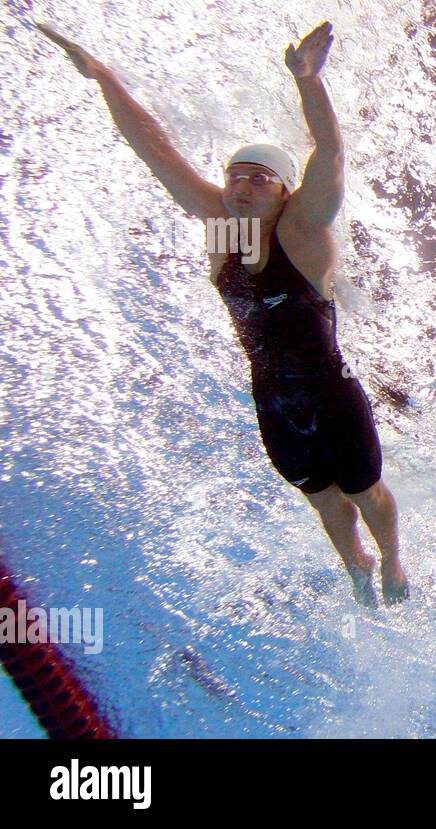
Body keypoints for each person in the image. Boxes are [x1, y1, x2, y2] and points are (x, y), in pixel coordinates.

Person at [38, 21, 409, 607]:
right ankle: (355, 562)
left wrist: (309, 82)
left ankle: (390, 555)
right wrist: (103, 77)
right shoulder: (221, 226)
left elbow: (331, 156)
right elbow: (154, 149)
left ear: (285, 191)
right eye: (235, 175)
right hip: (273, 400)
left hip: (331, 392)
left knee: (365, 493)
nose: (243, 186)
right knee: (322, 501)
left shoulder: (302, 230)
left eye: (260, 178)